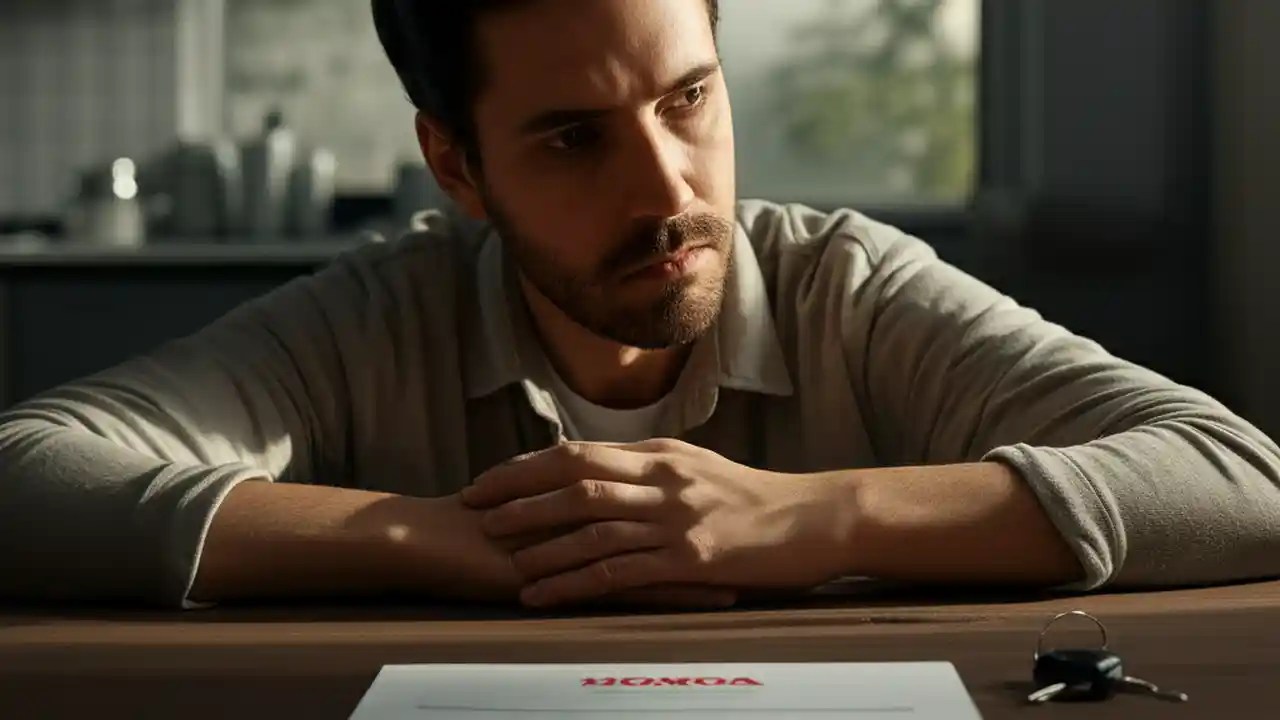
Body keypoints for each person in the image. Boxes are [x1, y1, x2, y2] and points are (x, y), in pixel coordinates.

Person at [2, 0, 1278, 611]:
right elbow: (25, 474)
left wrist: (796, 519)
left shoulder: (847, 286)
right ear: (457, 165)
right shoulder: (373, 319)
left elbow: (1236, 478)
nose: (667, 190)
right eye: (572, 139)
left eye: (687, 100)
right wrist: (448, 538)